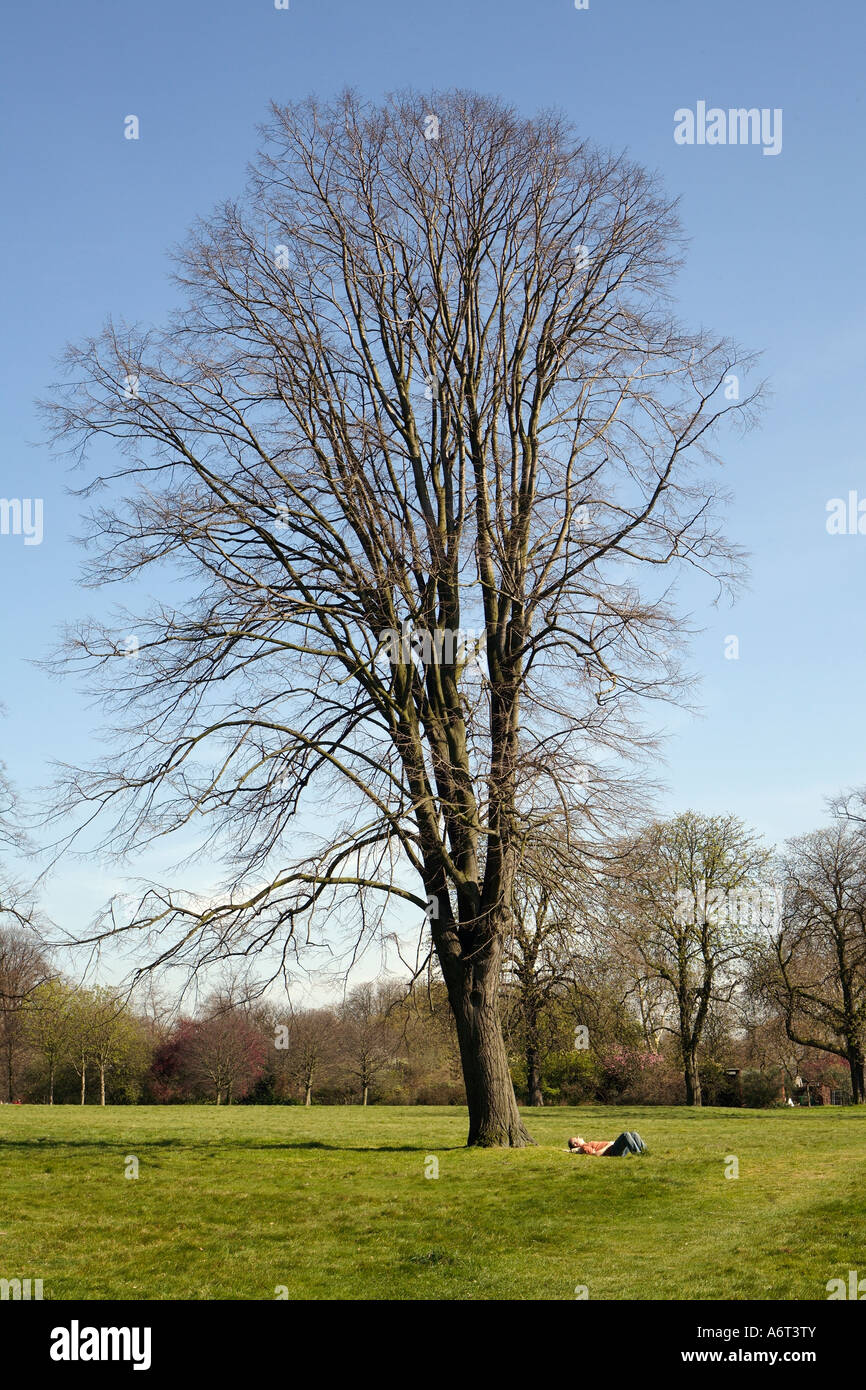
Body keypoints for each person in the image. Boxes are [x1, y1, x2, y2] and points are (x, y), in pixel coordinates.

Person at [568, 1131, 646, 1156]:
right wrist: (609, 1145)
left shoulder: (587, 1144)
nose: (578, 1137)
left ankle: (645, 1152)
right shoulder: (584, 1148)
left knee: (633, 1134)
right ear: (575, 1144)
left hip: (614, 1147)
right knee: (625, 1134)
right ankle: (637, 1153)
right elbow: (596, 1154)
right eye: (576, 1138)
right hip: (613, 1151)